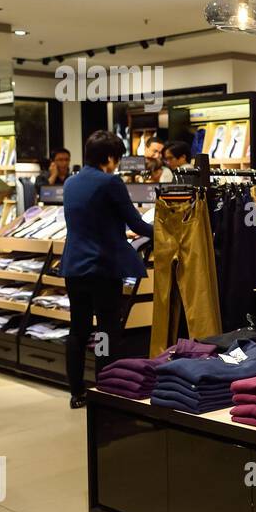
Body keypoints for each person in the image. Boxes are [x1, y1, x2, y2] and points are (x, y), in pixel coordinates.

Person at [61, 130, 154, 409]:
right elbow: (137, 224)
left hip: (74, 265)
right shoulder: (110, 182)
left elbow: (93, 220)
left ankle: (77, 391)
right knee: (106, 330)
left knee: (78, 329)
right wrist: (170, 234)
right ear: (111, 157)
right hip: (102, 267)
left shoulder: (70, 182)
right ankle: (104, 385)